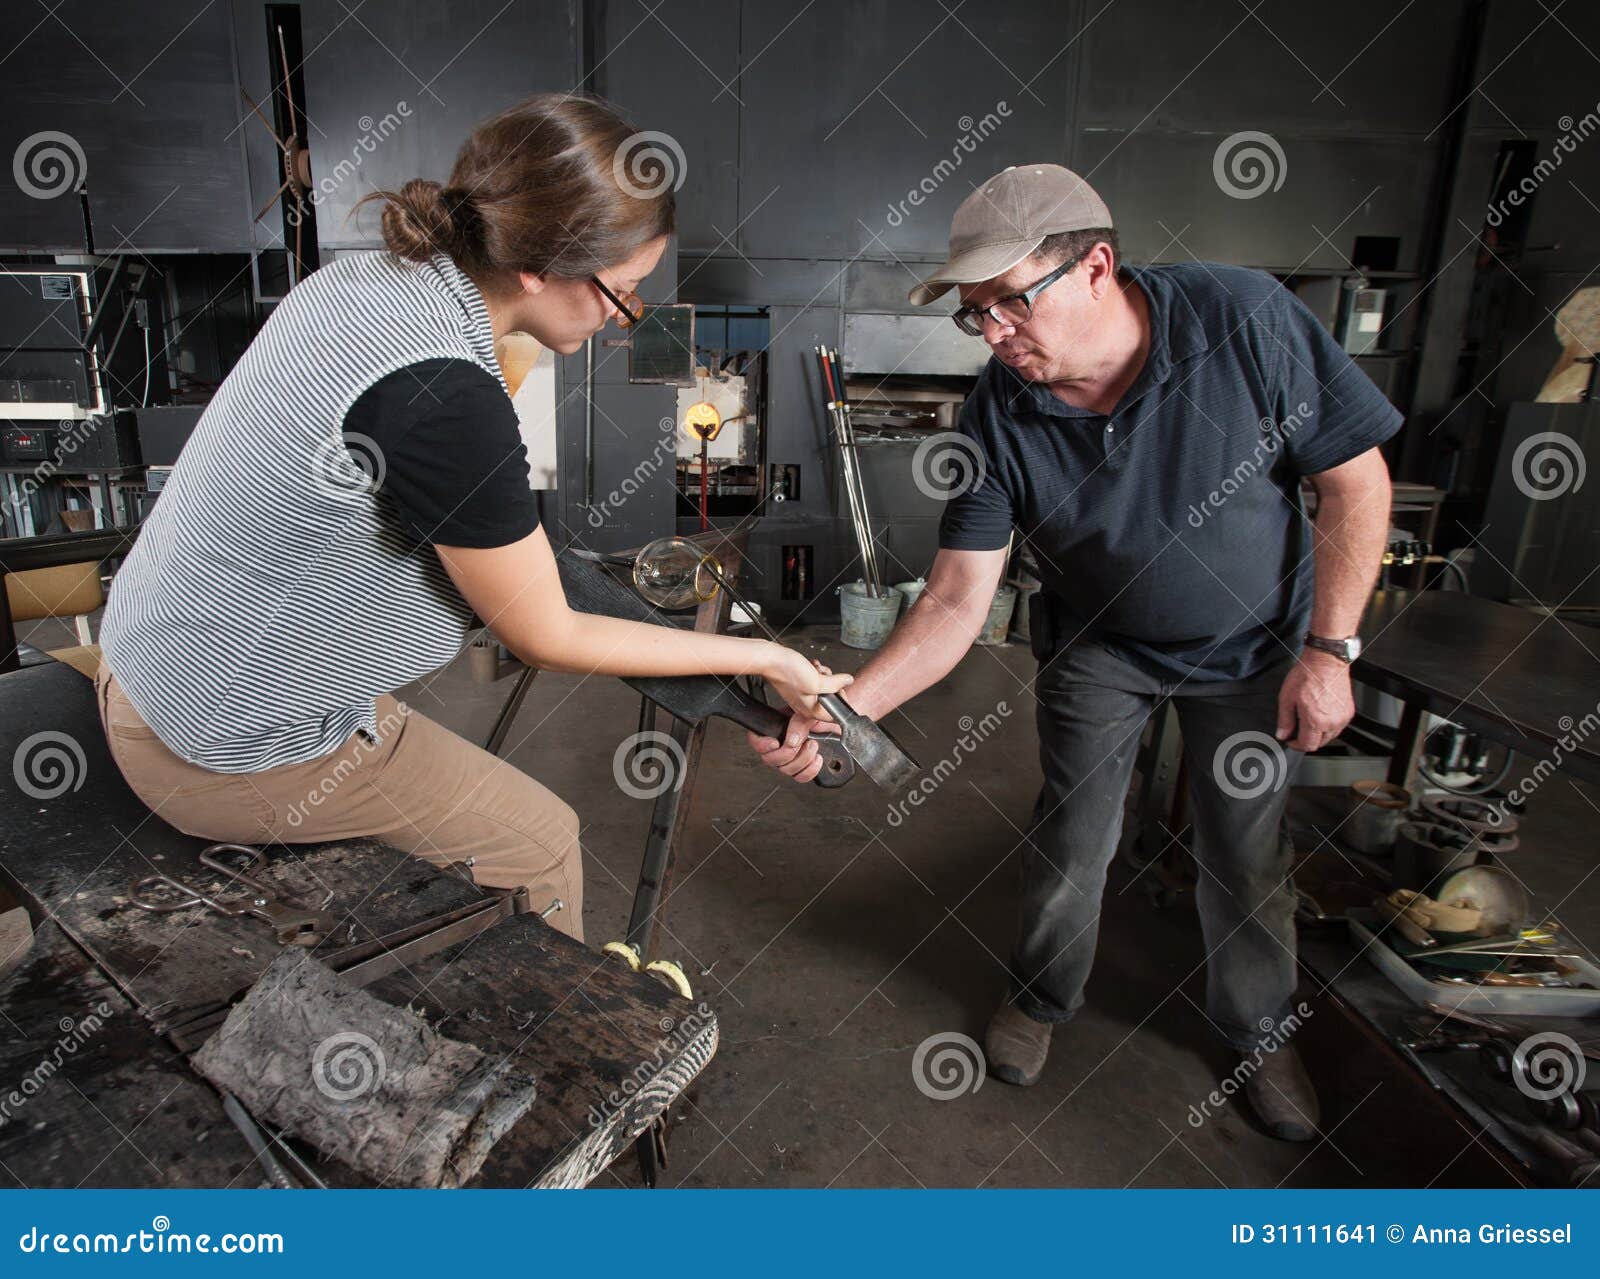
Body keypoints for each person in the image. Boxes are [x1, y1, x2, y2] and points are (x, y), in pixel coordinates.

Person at [95, 94, 850, 943]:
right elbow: (545, 631)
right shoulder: (442, 394)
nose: (620, 319)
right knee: (535, 842)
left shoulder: (368, 281)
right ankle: (553, 1055)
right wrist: (762, 654)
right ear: (537, 267)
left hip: (152, 655)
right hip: (221, 736)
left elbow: (529, 569)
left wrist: (747, 692)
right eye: (622, 292)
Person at [750, 164, 1396, 1140]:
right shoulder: (997, 413)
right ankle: (1042, 995)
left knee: (1244, 852)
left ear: (1096, 266)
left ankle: (1261, 1034)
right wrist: (849, 707)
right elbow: (959, 594)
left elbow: (1355, 483)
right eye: (977, 315)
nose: (995, 334)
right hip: (1100, 640)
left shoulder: (1243, 321)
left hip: (1253, 642)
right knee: (1071, 837)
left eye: (1011, 302)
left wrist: (1331, 649)